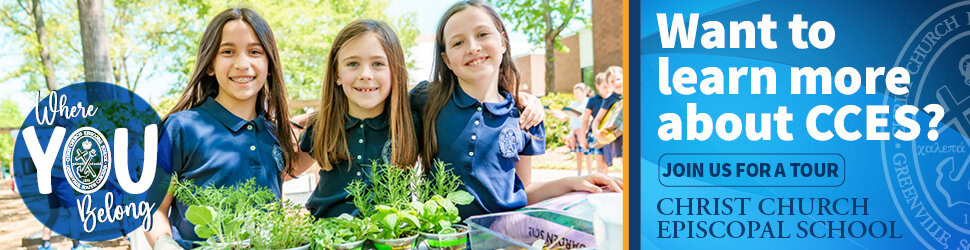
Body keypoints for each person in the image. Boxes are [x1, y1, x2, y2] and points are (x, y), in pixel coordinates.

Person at [411, 0, 622, 219]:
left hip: (500, 239)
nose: (473, 47)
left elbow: (523, 190)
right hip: (442, 239)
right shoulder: (427, 99)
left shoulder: (525, 115)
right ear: (446, 61)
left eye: (482, 34)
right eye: (458, 43)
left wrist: (572, 182)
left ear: (502, 42)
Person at [145, 8, 302, 249]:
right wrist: (164, 243)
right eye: (228, 51)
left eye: (255, 52)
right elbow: (153, 208)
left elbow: (299, 162)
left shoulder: (274, 134)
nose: (242, 64)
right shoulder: (182, 128)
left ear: (269, 65)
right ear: (210, 64)